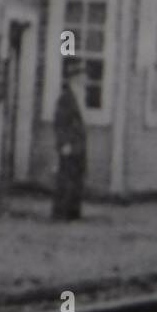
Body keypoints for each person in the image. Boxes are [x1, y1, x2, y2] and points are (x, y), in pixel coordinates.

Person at [52, 57, 87, 220]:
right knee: (66, 179)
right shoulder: (65, 98)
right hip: (70, 145)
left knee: (76, 178)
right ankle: (61, 213)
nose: (84, 80)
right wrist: (64, 143)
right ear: (74, 79)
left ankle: (73, 212)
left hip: (78, 145)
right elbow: (60, 123)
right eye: (81, 76)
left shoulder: (79, 97)